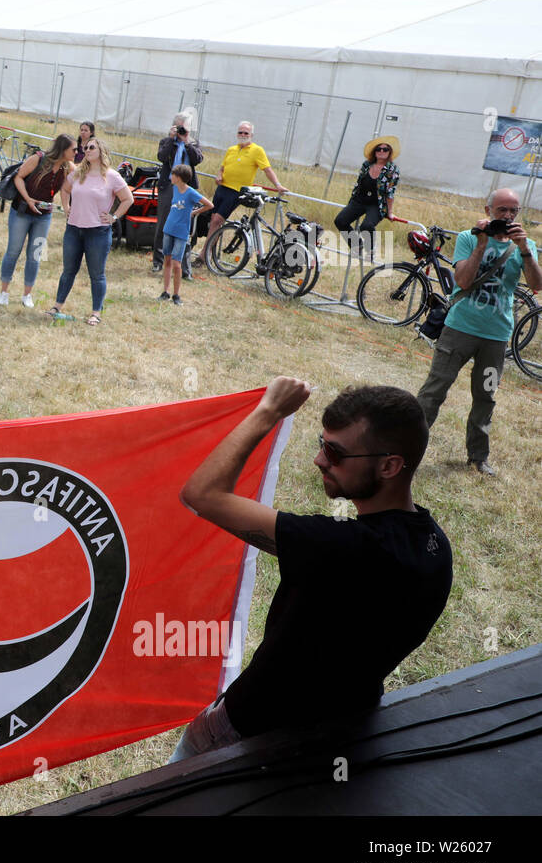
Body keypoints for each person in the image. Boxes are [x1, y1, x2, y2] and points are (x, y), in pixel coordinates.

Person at [174, 378, 453, 761]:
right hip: (340, 731)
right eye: (321, 445)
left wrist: (269, 411)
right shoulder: (435, 547)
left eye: (336, 454)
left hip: (244, 729)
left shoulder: (339, 548)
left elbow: (201, 495)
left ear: (389, 466)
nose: (320, 460)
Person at [414, 188, 541, 476]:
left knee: (486, 395)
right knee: (435, 390)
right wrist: (481, 244)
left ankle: (478, 458)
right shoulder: (468, 237)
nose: (507, 216)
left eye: (513, 211)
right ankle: (409, 447)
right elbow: (461, 279)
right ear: (487, 211)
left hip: (496, 336)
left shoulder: (526, 244)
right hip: (460, 329)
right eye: (501, 211)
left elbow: (537, 283)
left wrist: (523, 249)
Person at [50, 138, 134, 325]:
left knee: (96, 274)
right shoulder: (78, 172)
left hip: (98, 232)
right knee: (68, 271)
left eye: (91, 147)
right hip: (73, 229)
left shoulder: (112, 176)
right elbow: (65, 190)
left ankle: (96, 313)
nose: (87, 150)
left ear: (101, 151)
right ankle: (56, 306)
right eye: (85, 147)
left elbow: (128, 199)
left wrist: (114, 217)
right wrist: (66, 206)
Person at [0, 134, 75, 308]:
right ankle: (3, 291)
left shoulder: (68, 166)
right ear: (63, 149)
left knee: (36, 255)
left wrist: (67, 208)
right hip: (22, 211)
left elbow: (69, 188)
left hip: (44, 216)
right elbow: (18, 177)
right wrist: (28, 199)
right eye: (73, 149)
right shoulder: (38, 158)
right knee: (13, 251)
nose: (76, 152)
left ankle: (27, 294)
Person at [203, 121, 287, 265]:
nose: (242, 135)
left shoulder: (257, 150)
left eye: (246, 133)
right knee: (213, 222)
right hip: (222, 189)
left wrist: (278, 185)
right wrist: (219, 175)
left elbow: (267, 169)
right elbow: (222, 168)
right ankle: (209, 255)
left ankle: (203, 255)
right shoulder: (231, 149)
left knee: (217, 221)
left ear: (251, 135)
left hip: (236, 192)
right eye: (240, 132)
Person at [153, 112, 204, 276]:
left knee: (185, 225)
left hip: (186, 188)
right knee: (164, 223)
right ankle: (158, 261)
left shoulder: (193, 143)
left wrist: (186, 141)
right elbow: (161, 156)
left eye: (185, 127)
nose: (182, 130)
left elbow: (197, 160)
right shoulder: (166, 141)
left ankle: (183, 266)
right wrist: (171, 138)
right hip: (168, 185)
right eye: (179, 126)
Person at [335, 136, 400, 263]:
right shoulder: (366, 165)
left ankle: (370, 250)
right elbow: (358, 183)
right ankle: (356, 245)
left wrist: (390, 212)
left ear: (389, 152)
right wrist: (351, 202)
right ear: (374, 152)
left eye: (385, 149)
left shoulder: (393, 170)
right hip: (359, 200)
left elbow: (390, 193)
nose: (381, 152)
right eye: (378, 149)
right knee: (340, 221)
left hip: (376, 204)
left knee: (367, 226)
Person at [157, 165, 213, 306]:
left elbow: (209, 205)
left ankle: (176, 294)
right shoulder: (174, 188)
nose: (171, 177)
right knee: (167, 261)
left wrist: (194, 212)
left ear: (179, 177)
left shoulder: (190, 193)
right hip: (168, 229)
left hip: (181, 232)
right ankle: (165, 292)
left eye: (173, 175)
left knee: (177, 264)